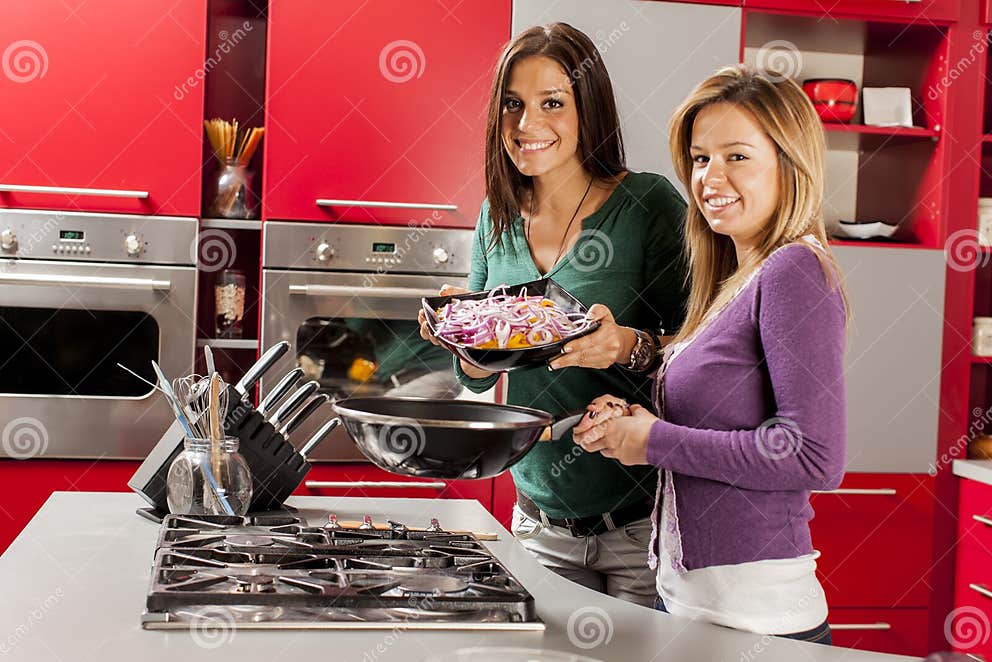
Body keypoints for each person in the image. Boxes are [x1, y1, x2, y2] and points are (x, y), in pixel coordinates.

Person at [573, 65, 849, 644]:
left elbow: (813, 456)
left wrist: (650, 441)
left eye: (737, 156)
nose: (710, 178)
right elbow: (721, 397)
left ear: (788, 163)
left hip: (757, 623)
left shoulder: (794, 270)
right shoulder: (737, 275)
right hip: (699, 610)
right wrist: (633, 369)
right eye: (700, 159)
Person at [417, 23, 689, 606]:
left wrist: (625, 346)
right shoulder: (498, 215)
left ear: (587, 110)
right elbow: (477, 374)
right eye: (513, 105)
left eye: (552, 103)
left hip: (641, 523)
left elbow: (698, 355)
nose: (527, 125)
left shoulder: (647, 205)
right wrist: (462, 331)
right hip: (538, 522)